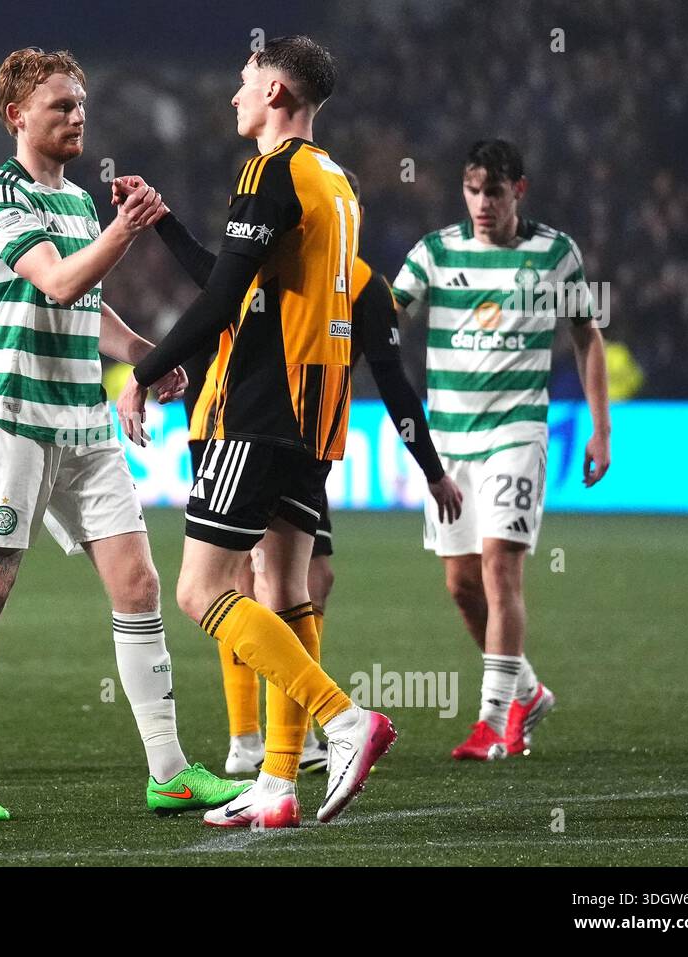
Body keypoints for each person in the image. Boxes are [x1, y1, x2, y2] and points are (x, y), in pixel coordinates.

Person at [0, 48, 250, 822]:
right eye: (59, 106)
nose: (76, 117)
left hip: (85, 416)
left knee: (140, 584)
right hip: (12, 416)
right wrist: (128, 228)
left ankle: (170, 771)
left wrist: (147, 354)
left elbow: (87, 309)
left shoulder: (77, 203)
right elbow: (58, 279)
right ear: (17, 116)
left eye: (79, 104)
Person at [118, 36, 394, 829]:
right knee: (284, 590)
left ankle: (343, 721)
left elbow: (221, 303)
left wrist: (144, 371)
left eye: (243, 83)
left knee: (203, 589)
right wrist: (168, 225)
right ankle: (277, 779)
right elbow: (242, 280)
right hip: (316, 417)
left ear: (276, 91)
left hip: (258, 411)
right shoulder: (335, 182)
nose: (235, 96)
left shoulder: (271, 172)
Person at [130, 167, 461, 775]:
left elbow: (393, 383)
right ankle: (253, 738)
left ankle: (292, 748)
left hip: (290, 427)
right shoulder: (289, 255)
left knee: (295, 581)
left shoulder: (360, 286)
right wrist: (166, 224)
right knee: (239, 580)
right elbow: (217, 284)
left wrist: (431, 468)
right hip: (243, 423)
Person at [390, 139, 611, 759]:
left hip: (517, 432)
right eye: (472, 190)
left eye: (493, 191)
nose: (481, 204)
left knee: (499, 565)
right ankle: (528, 691)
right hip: (449, 442)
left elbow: (586, 337)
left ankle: (491, 721)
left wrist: (602, 428)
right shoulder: (435, 253)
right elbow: (385, 319)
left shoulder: (554, 254)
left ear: (519, 189)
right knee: (462, 583)